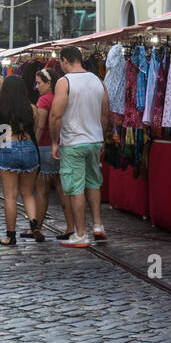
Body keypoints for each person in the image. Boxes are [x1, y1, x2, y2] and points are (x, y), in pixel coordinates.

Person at [50, 46, 110, 247]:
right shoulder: (97, 81)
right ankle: (98, 226)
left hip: (73, 141)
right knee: (93, 183)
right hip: (94, 140)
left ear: (66, 60)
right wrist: (101, 137)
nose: (60, 65)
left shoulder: (64, 82)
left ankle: (81, 234)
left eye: (60, 61)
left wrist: (54, 141)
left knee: (76, 188)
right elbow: (104, 113)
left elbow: (56, 115)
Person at [0, 73, 42, 245]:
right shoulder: (32, 108)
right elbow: (34, 130)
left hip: (7, 145)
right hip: (28, 147)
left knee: (10, 196)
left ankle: (10, 236)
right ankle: (34, 224)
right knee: (28, 193)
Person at [32, 67, 74, 239]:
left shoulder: (44, 101)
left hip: (44, 147)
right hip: (61, 146)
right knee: (62, 189)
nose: (37, 86)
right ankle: (70, 227)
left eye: (39, 83)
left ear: (48, 83)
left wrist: (33, 145)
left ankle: (38, 227)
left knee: (41, 190)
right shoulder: (61, 98)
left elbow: (41, 126)